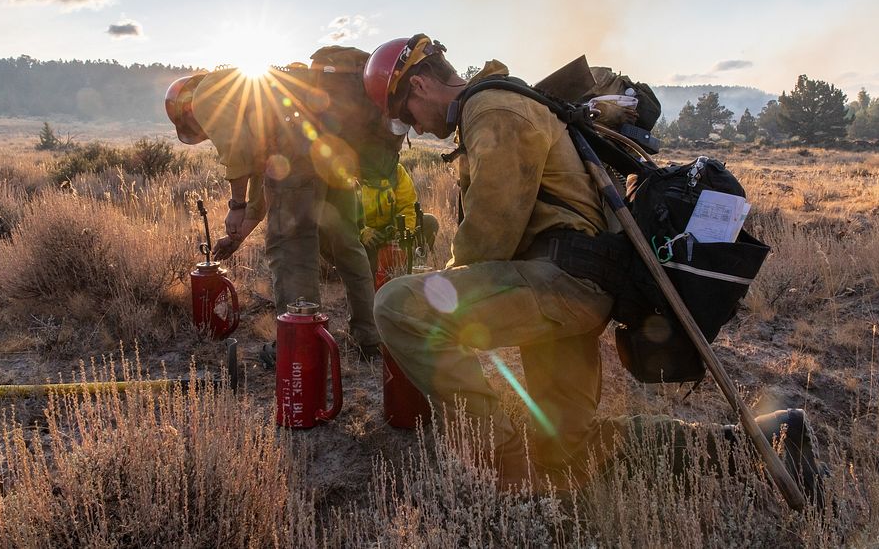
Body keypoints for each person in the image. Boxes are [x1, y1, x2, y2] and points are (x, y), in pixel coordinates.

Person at [365, 34, 825, 501]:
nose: (413, 128)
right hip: (578, 288)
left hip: (560, 282)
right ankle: (759, 444)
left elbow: (490, 234)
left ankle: (504, 464)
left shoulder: (493, 108)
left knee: (400, 306)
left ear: (419, 86)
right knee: (566, 446)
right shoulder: (509, 101)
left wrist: (446, 289)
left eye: (406, 117)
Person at [166, 47, 401, 360]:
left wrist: (236, 207)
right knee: (347, 245)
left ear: (186, 107)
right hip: (334, 155)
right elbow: (265, 183)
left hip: (299, 157)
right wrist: (238, 236)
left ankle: (301, 347)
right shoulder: (250, 89)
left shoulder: (207, 93)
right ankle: (371, 339)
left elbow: (239, 154)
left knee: (292, 250)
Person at [359, 159, 439, 277]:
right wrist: (362, 232)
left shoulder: (396, 171)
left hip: (392, 230)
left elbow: (408, 206)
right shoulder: (352, 172)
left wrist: (402, 233)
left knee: (429, 222)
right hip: (368, 238)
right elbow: (343, 215)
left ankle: (413, 272)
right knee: (371, 277)